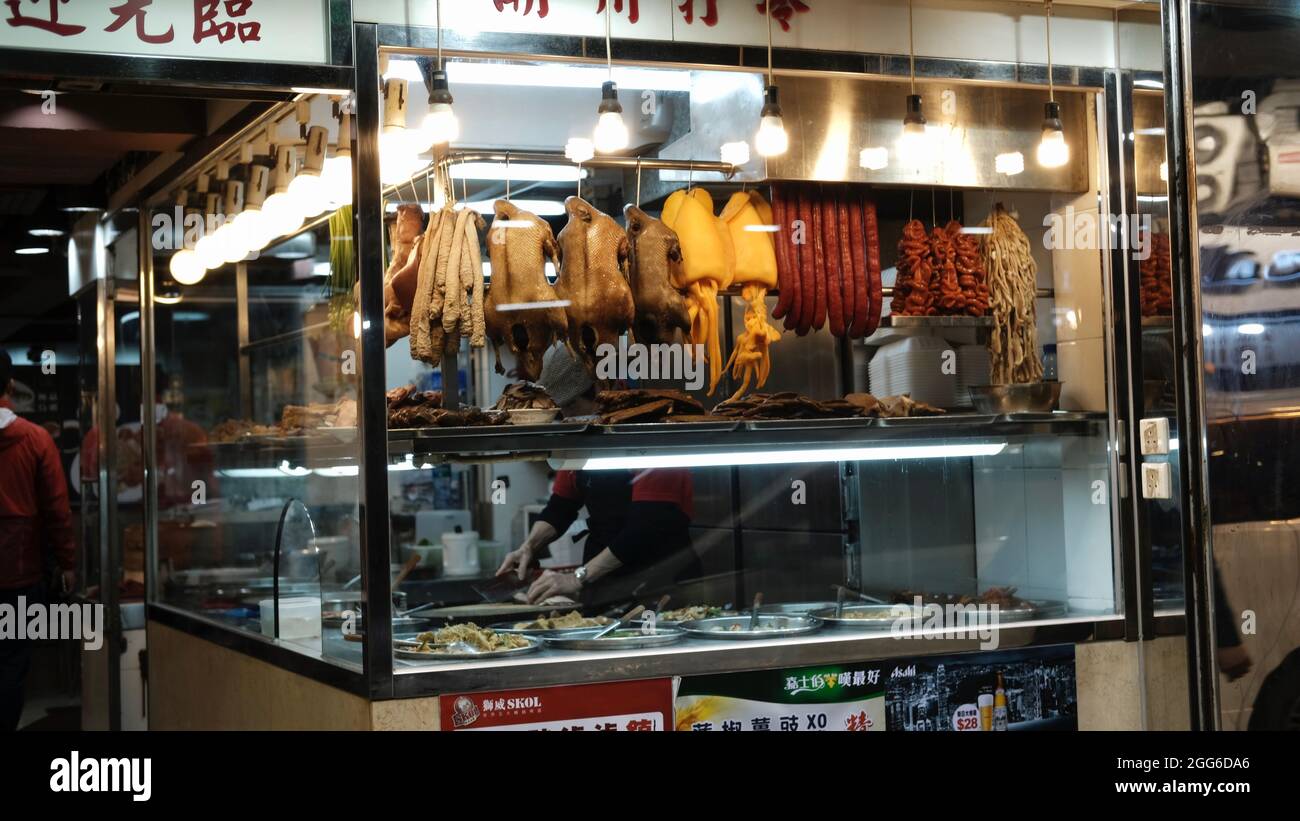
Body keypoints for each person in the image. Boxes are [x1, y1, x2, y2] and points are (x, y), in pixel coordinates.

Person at [496, 346, 702, 607]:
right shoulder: (583, 439)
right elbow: (561, 507)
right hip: (606, 588)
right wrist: (528, 547)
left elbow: (647, 525)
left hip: (662, 585)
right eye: (561, 409)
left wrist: (578, 577)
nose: (567, 416)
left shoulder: (649, 434)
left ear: (601, 388)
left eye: (571, 404)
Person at [0, 351, 75, 731]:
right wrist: (68, 563)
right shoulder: (36, 439)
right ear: (10, 385)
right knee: (13, 665)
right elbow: (57, 510)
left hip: (21, 572)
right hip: (20, 575)